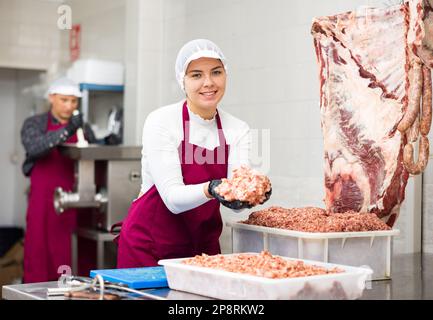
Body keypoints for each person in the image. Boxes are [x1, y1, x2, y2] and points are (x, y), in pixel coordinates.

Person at [116, 39, 270, 268]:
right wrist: (212, 188)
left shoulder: (237, 128)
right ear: (183, 81)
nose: (208, 83)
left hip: (202, 248)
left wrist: (249, 193)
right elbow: (172, 200)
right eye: (196, 75)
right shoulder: (161, 122)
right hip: (149, 247)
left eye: (216, 72)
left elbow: (236, 183)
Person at [21, 77, 96, 283]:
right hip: (43, 203)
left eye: (73, 101)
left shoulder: (83, 129)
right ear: (51, 98)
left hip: (75, 201)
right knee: (39, 251)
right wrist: (66, 131)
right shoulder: (34, 124)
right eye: (64, 100)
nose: (69, 106)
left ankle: (72, 292)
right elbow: (35, 148)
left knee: (70, 253)